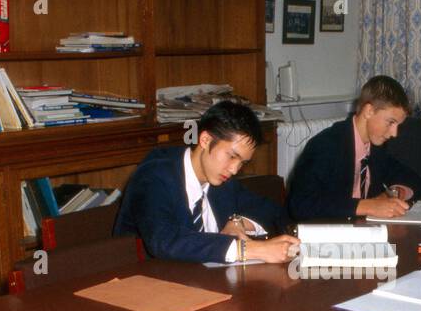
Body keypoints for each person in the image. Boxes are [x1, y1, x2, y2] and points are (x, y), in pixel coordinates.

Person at [114, 99, 299, 265]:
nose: (235, 169)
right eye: (232, 156)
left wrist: (238, 222)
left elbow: (272, 211)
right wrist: (249, 250)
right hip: (146, 285)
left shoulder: (221, 179)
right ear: (205, 140)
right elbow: (164, 241)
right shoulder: (154, 175)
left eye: (242, 162)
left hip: (203, 284)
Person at [285, 75, 421, 223]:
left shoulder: (375, 147)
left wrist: (396, 192)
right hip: (325, 232)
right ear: (369, 111)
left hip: (361, 231)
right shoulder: (325, 146)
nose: (394, 133)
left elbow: (414, 179)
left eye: (398, 125)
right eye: (390, 122)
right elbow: (300, 205)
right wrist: (367, 206)